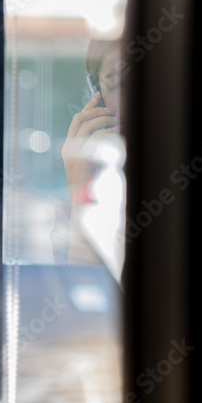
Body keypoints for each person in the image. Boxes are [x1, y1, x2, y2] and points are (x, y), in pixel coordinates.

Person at [52, 38, 124, 270]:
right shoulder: (95, 199)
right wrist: (79, 190)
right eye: (120, 85)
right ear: (98, 97)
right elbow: (80, 292)